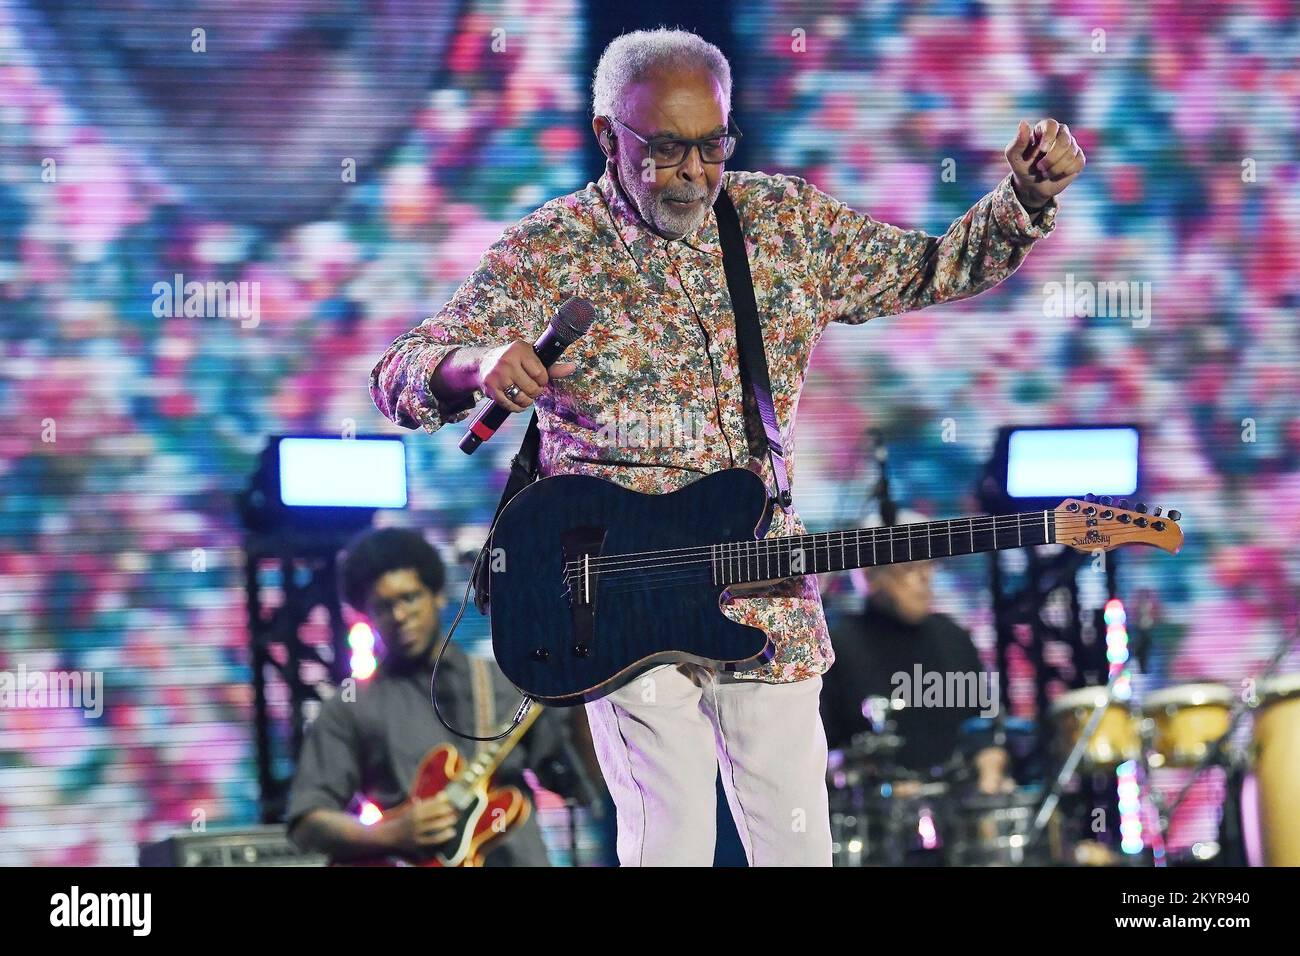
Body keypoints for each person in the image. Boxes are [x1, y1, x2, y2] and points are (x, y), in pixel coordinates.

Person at [369, 28, 1082, 865]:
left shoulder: (780, 223)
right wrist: (475, 364)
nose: (696, 172)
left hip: (765, 587)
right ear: (608, 137)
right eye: (667, 150)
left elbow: (930, 268)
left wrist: (1022, 201)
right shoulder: (550, 248)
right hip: (617, 600)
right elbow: (398, 375)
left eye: (713, 144)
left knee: (798, 851)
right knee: (668, 845)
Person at [286, 527, 581, 866]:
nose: (399, 616)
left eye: (409, 597)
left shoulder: (507, 682)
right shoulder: (350, 706)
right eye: (383, 607)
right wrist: (391, 833)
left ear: (438, 595)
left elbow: (576, 783)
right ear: (366, 615)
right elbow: (306, 822)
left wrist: (588, 686)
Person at [821, 516, 1013, 794]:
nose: (925, 578)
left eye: (928, 564)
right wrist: (880, 785)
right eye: (909, 567)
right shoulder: (836, 649)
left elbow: (987, 729)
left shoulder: (954, 638)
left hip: (959, 811)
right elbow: (824, 756)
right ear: (869, 577)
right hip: (878, 818)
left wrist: (991, 762)